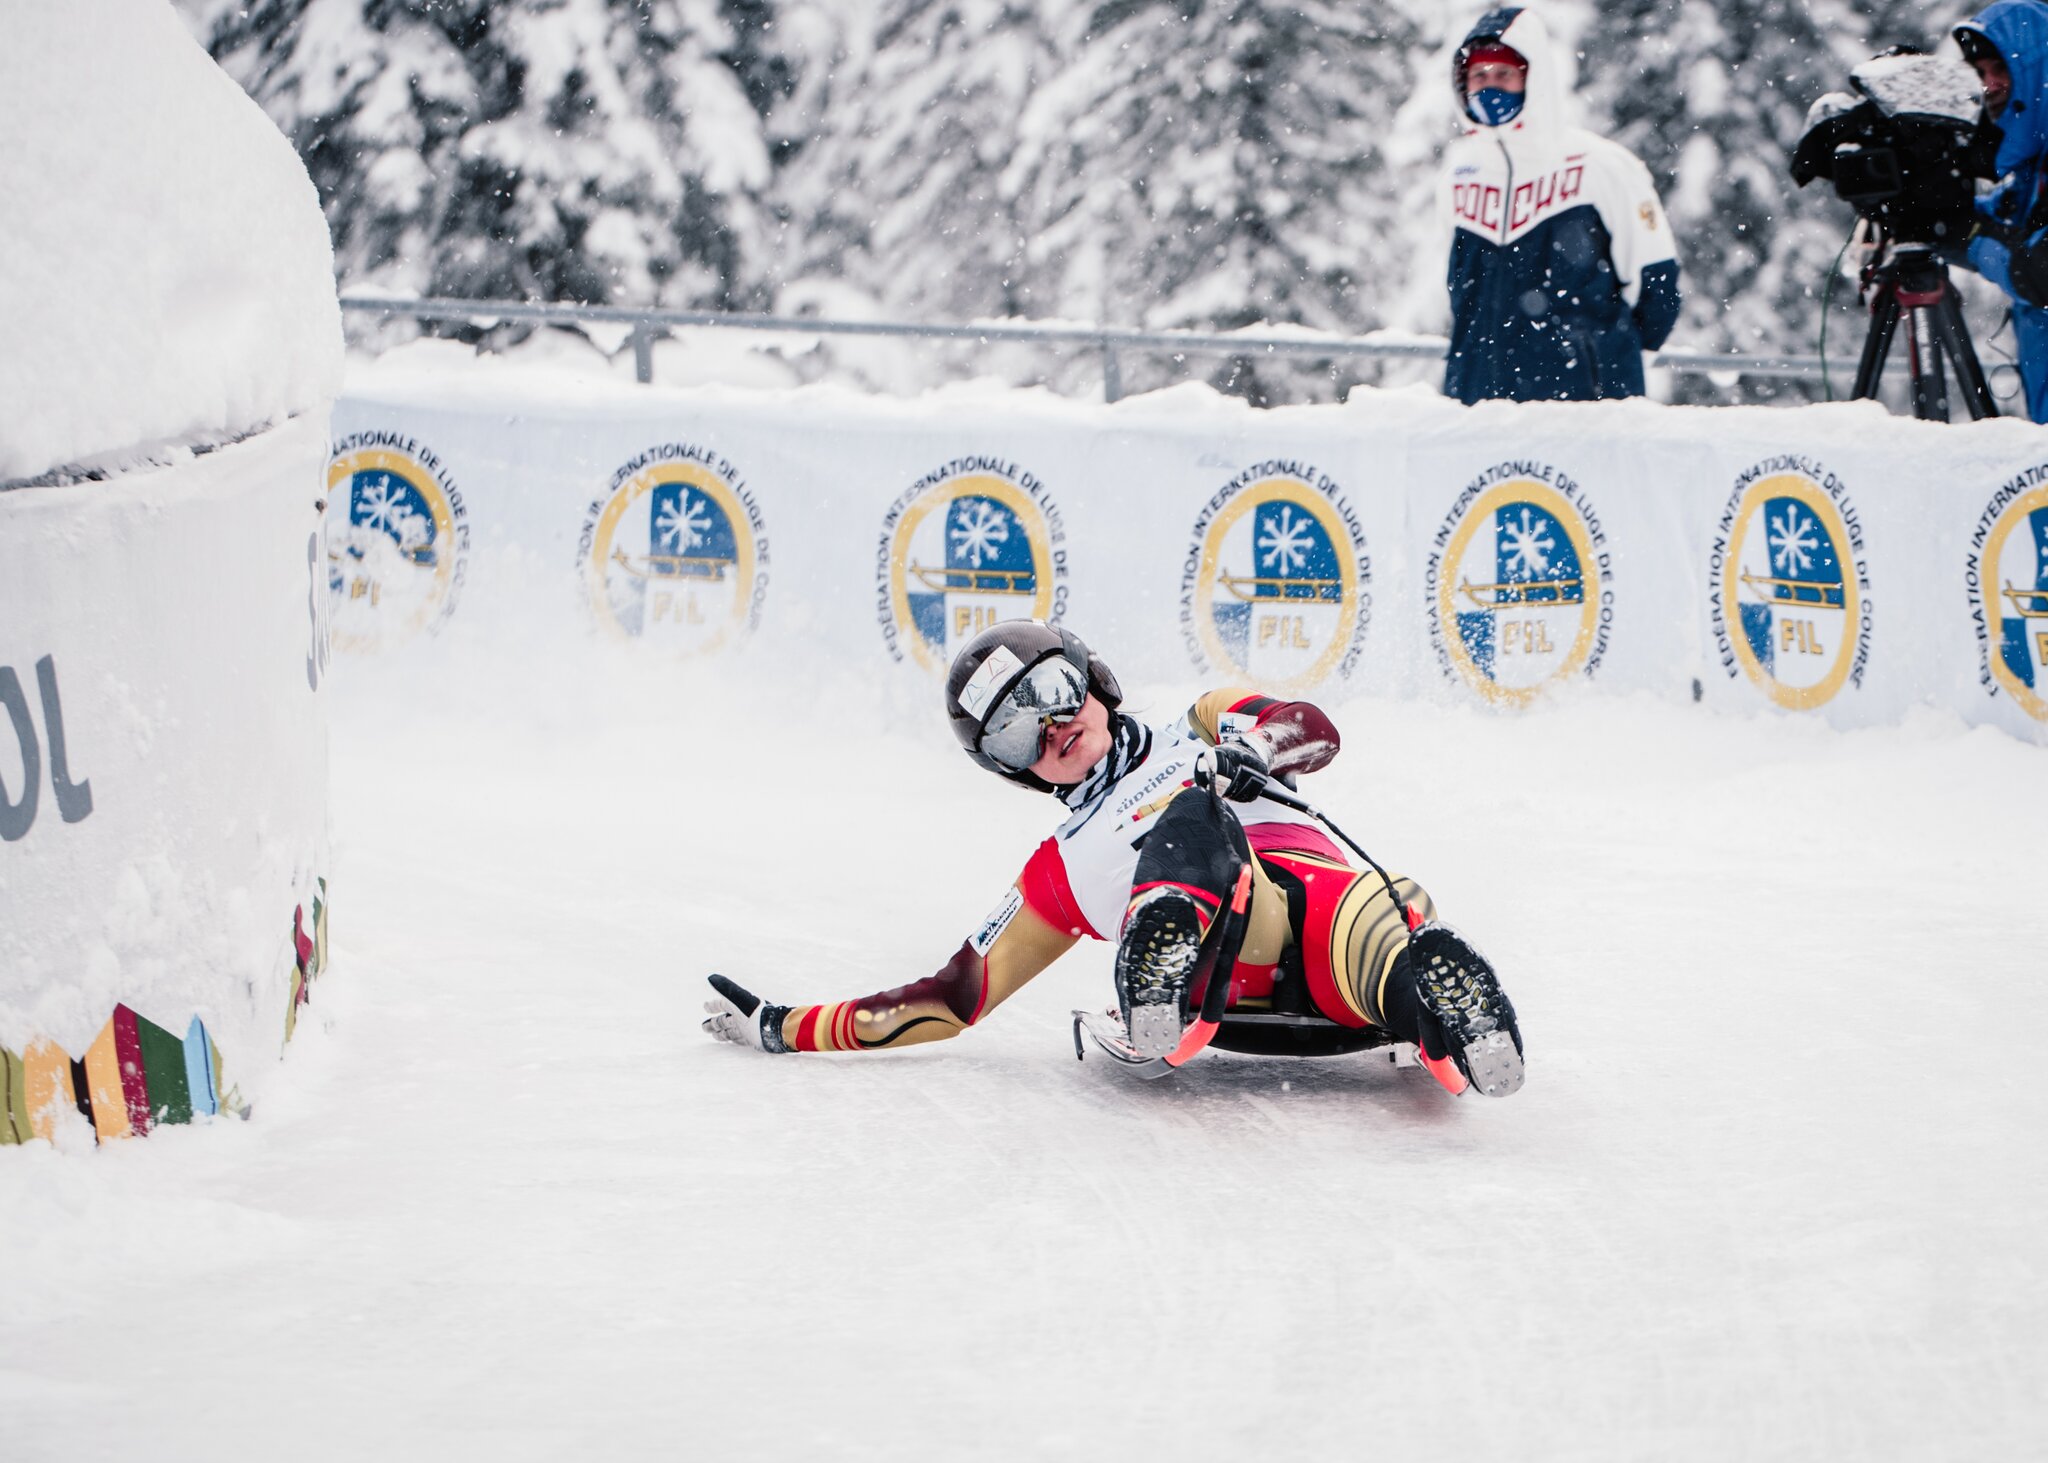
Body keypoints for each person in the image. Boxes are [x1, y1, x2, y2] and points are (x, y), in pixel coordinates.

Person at [702, 621, 1525, 1098]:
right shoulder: (1058, 871)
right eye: (1015, 733)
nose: (1050, 727)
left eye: (1052, 693)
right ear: (1013, 769)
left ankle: (1446, 1008)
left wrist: (1252, 746)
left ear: (1095, 678)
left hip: (1317, 912)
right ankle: (1162, 957)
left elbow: (1310, 726)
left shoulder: (1198, 725)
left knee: (1373, 914)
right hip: (1232, 947)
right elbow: (953, 996)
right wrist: (786, 1026)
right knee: (1195, 818)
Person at [1439, 6, 1682, 404]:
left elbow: (1658, 284)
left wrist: (1607, 361)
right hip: (1478, 405)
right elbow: (1462, 295)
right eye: (1478, 76)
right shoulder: (1461, 172)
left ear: (1533, 78)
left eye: (1504, 74)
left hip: (1585, 409)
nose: (1489, 88)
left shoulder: (1599, 165)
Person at [1953, 2, 2048, 422]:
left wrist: (1966, 238)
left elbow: (2040, 273)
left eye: (2001, 69)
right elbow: (2002, 220)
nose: (1990, 86)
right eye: (1981, 74)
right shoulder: (2035, 169)